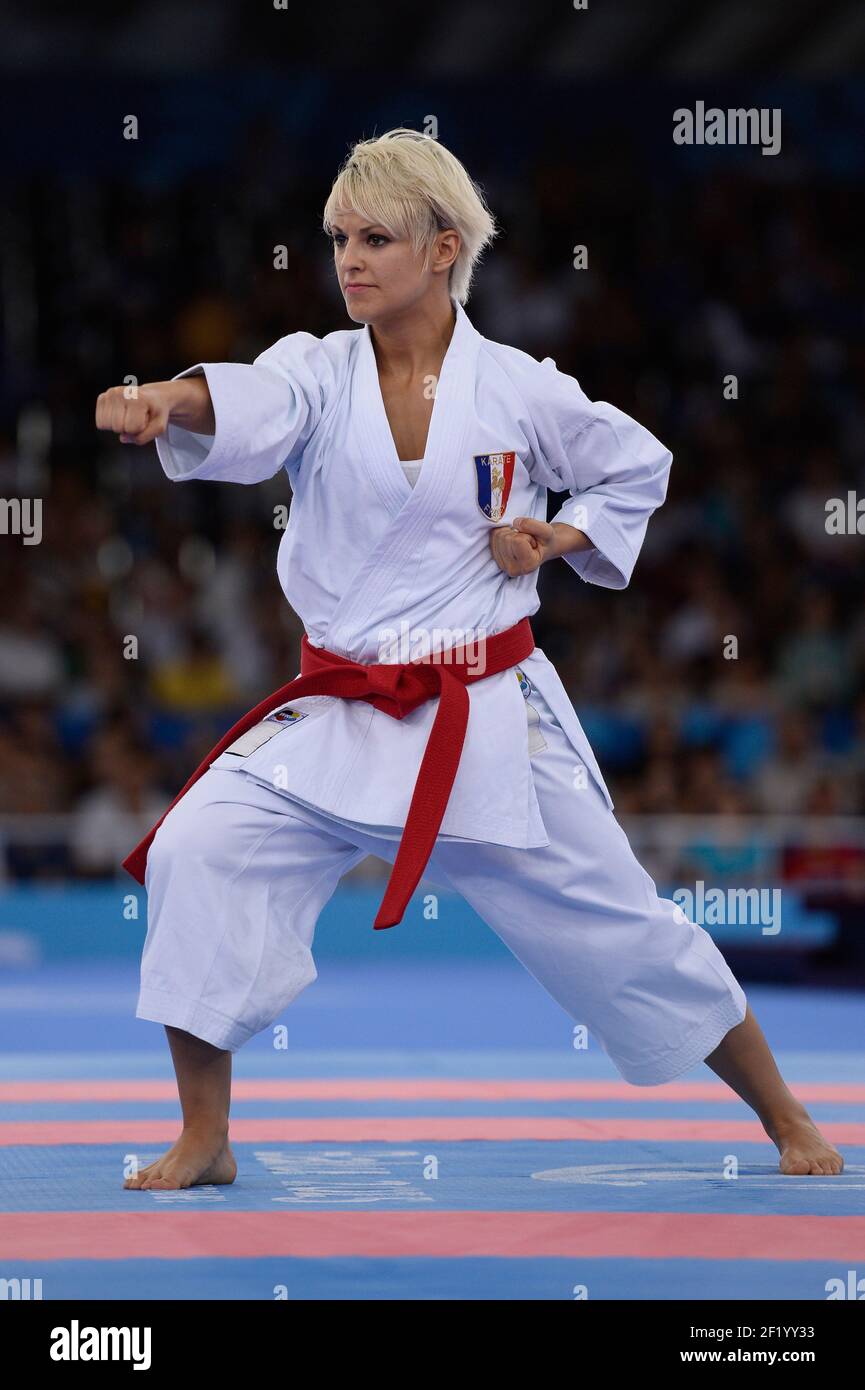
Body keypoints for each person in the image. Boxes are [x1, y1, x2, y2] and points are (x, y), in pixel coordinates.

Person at [95, 128, 843, 1189]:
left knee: (623, 924)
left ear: (444, 249)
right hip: (342, 709)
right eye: (337, 238)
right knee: (197, 851)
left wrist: (560, 537)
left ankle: (783, 1113)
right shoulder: (319, 371)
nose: (348, 259)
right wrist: (172, 400)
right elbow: (252, 406)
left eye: (376, 239)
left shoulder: (520, 389)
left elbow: (635, 467)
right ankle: (204, 1134)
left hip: (483, 714)